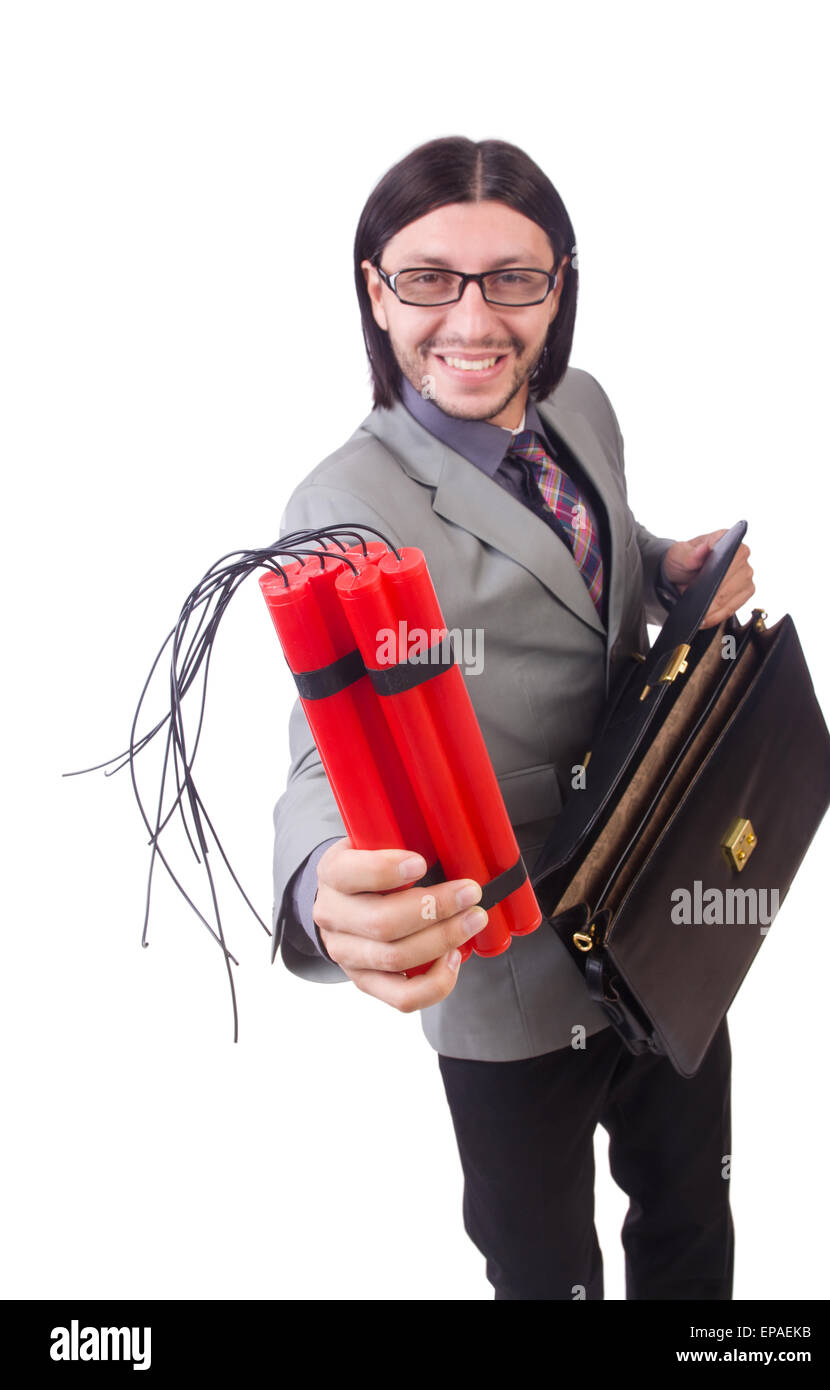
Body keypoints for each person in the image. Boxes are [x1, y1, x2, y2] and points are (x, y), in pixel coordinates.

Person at [269, 136, 755, 1300]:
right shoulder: (344, 509)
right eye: (430, 277)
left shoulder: (581, 406)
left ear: (561, 286)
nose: (472, 319)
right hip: (517, 966)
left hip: (663, 905)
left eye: (513, 278)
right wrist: (324, 879)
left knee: (692, 1212)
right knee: (547, 1273)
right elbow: (328, 745)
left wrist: (664, 558)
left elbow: (581, 548)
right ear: (375, 292)